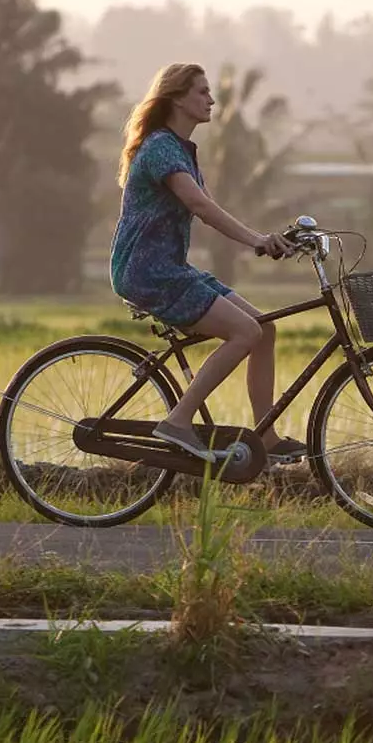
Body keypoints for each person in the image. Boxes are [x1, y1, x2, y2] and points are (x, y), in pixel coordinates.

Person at [110, 62, 307, 462]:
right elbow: (199, 205)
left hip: (170, 268)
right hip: (149, 272)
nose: (211, 99)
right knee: (245, 333)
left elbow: (210, 205)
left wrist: (271, 239)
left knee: (264, 329)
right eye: (201, 91)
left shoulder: (181, 149)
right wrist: (255, 240)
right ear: (177, 98)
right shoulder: (160, 146)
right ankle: (178, 421)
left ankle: (264, 438)